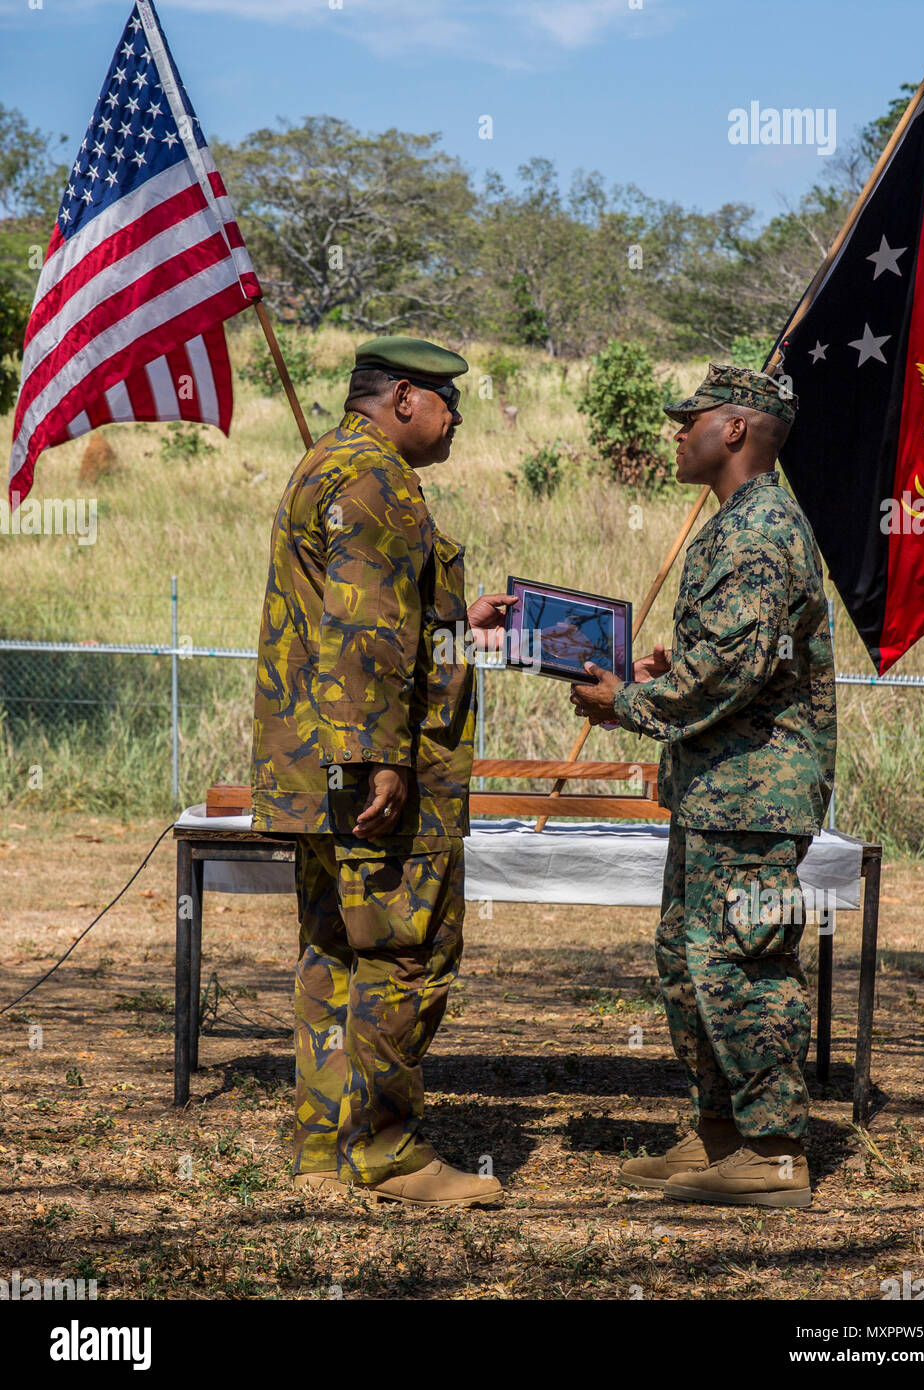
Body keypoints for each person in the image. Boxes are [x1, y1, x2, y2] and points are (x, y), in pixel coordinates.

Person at [251, 335, 517, 1208]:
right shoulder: (379, 479)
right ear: (404, 397)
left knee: (334, 951)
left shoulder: (328, 463)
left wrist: (452, 614)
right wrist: (379, 763)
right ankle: (388, 1149)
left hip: (314, 769)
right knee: (406, 953)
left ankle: (327, 1144)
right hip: (370, 775)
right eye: (446, 401)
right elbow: (363, 635)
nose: (457, 418)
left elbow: (370, 611)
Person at [569, 364, 837, 1209]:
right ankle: (721, 1132)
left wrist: (630, 701)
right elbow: (726, 661)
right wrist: (663, 672)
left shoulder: (760, 531)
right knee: (689, 964)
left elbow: (732, 671)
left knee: (742, 963)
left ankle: (775, 1150)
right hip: (718, 791)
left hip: (757, 795)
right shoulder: (737, 524)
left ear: (735, 431)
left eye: (692, 419)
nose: (678, 431)